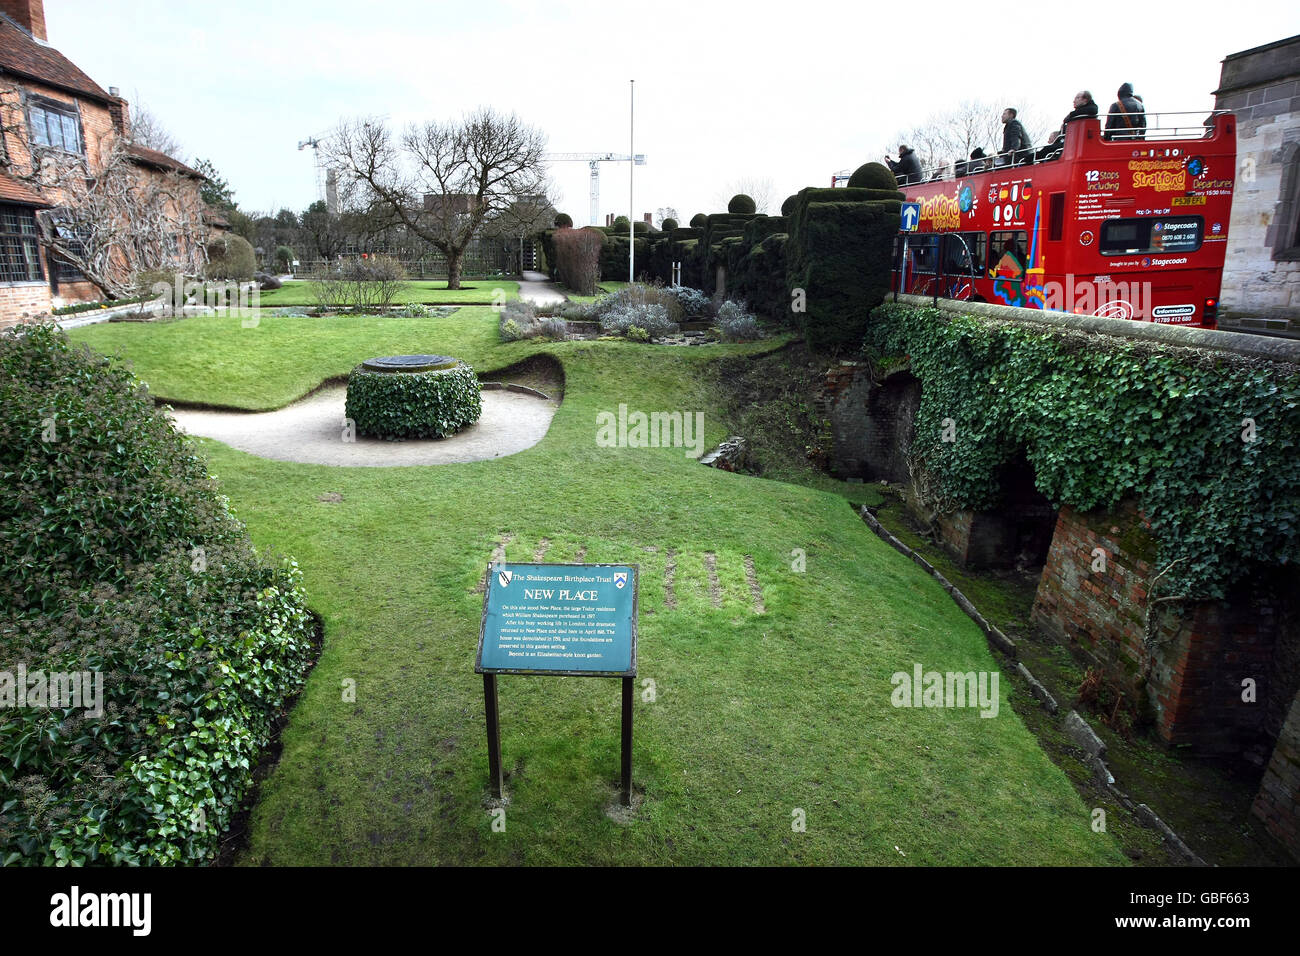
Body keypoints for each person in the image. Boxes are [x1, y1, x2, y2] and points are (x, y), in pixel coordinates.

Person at [1037, 91, 1098, 160]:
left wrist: (1070, 116)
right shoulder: (1078, 113)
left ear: (1085, 100)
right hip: (1070, 141)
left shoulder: (1090, 110)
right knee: (1047, 149)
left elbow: (1093, 110)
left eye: (1077, 98)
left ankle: (1027, 161)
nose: (1074, 101)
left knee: (1048, 150)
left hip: (1075, 142)